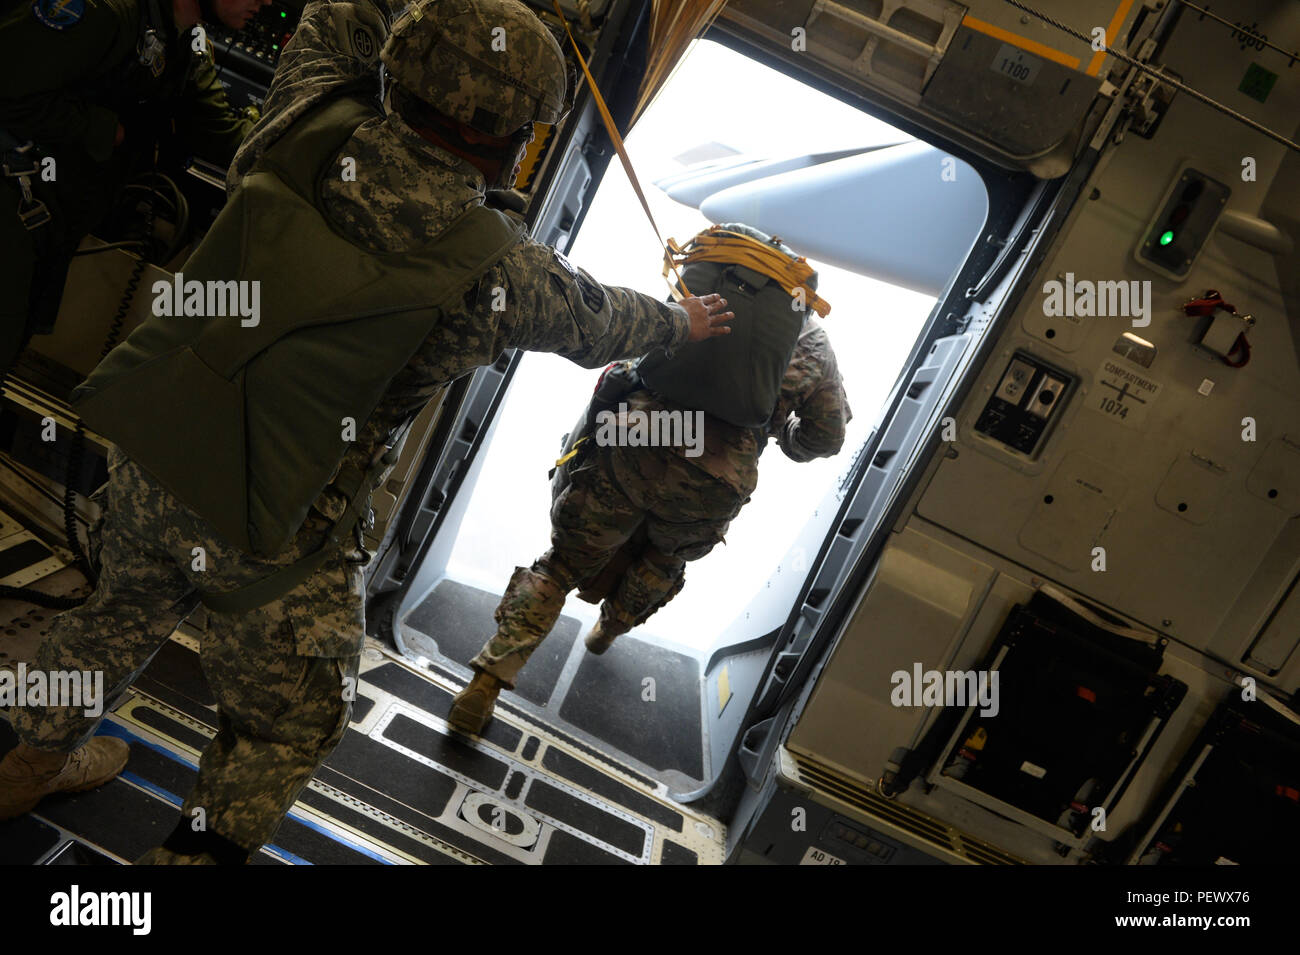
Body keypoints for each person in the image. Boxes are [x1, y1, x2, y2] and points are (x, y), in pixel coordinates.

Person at [0, 0, 733, 864]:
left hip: (157, 451)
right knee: (291, 721)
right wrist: (683, 323)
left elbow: (331, 18)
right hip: (275, 532)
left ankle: (24, 765)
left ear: (400, 65)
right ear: (517, 141)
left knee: (113, 613)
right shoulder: (501, 267)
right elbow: (606, 321)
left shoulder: (304, 115)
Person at [449, 259, 851, 735]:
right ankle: (610, 627)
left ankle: (486, 684)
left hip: (639, 437)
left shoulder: (704, 290)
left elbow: (638, 353)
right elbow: (825, 438)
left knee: (560, 565)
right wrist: (780, 431)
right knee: (662, 561)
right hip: (714, 479)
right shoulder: (813, 342)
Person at [0, 0, 268, 376]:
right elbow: (9, 80)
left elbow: (223, 135)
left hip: (50, 225)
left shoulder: (187, 43)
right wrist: (108, 129)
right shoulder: (110, 10)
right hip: (15, 203)